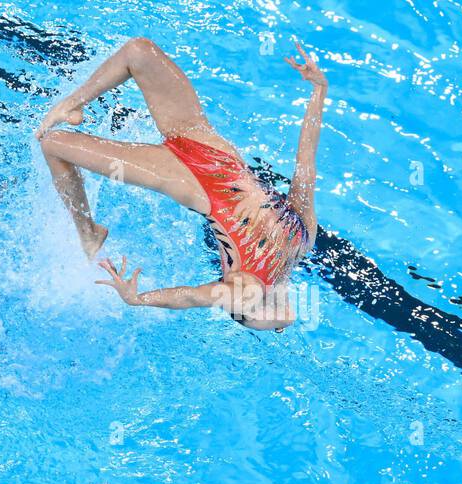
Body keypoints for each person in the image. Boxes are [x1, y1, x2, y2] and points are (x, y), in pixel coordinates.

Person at [36, 37, 327, 329]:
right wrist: (318, 90)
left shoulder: (248, 291)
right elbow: (306, 165)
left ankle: (88, 231)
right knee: (139, 51)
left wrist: (140, 299)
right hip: (213, 150)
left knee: (54, 143)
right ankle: (72, 106)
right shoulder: (301, 240)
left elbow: (190, 297)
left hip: (188, 180)